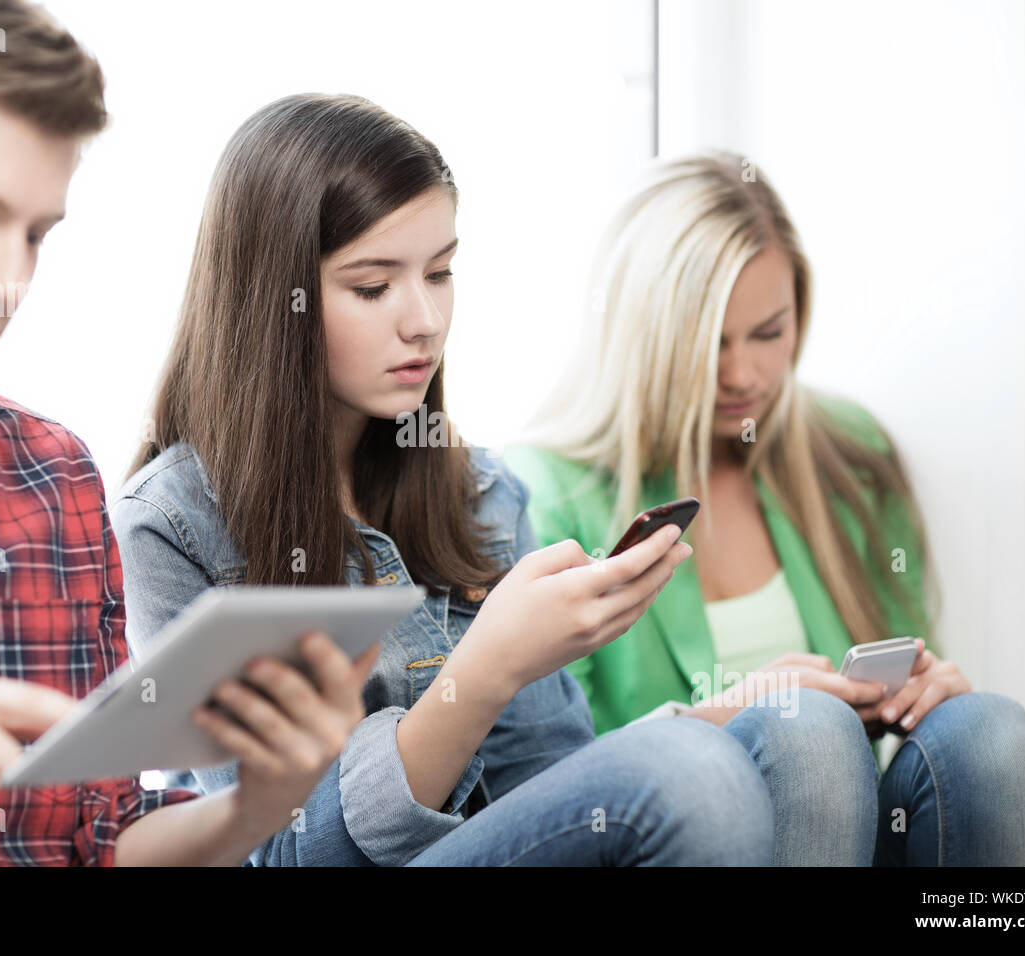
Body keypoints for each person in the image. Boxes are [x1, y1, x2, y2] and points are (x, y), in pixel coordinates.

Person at [111, 94, 776, 867]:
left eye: (441, 272)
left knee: (804, 736)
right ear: (274, 299)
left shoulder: (482, 494)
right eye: (373, 287)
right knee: (692, 769)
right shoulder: (169, 527)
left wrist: (705, 717)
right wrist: (486, 670)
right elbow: (284, 854)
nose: (424, 319)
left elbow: (559, 796)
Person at [0, 0, 369, 866]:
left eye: (35, 234)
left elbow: (100, 839)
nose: (6, 282)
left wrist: (255, 807)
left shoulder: (54, 476)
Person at [505, 152, 1025, 866]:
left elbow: (900, 689)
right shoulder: (543, 495)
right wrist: (732, 712)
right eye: (710, 345)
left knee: (989, 730)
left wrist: (928, 698)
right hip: (675, 840)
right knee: (807, 731)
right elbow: (547, 799)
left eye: (769, 333)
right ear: (645, 339)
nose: (743, 375)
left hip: (850, 832)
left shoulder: (847, 453)